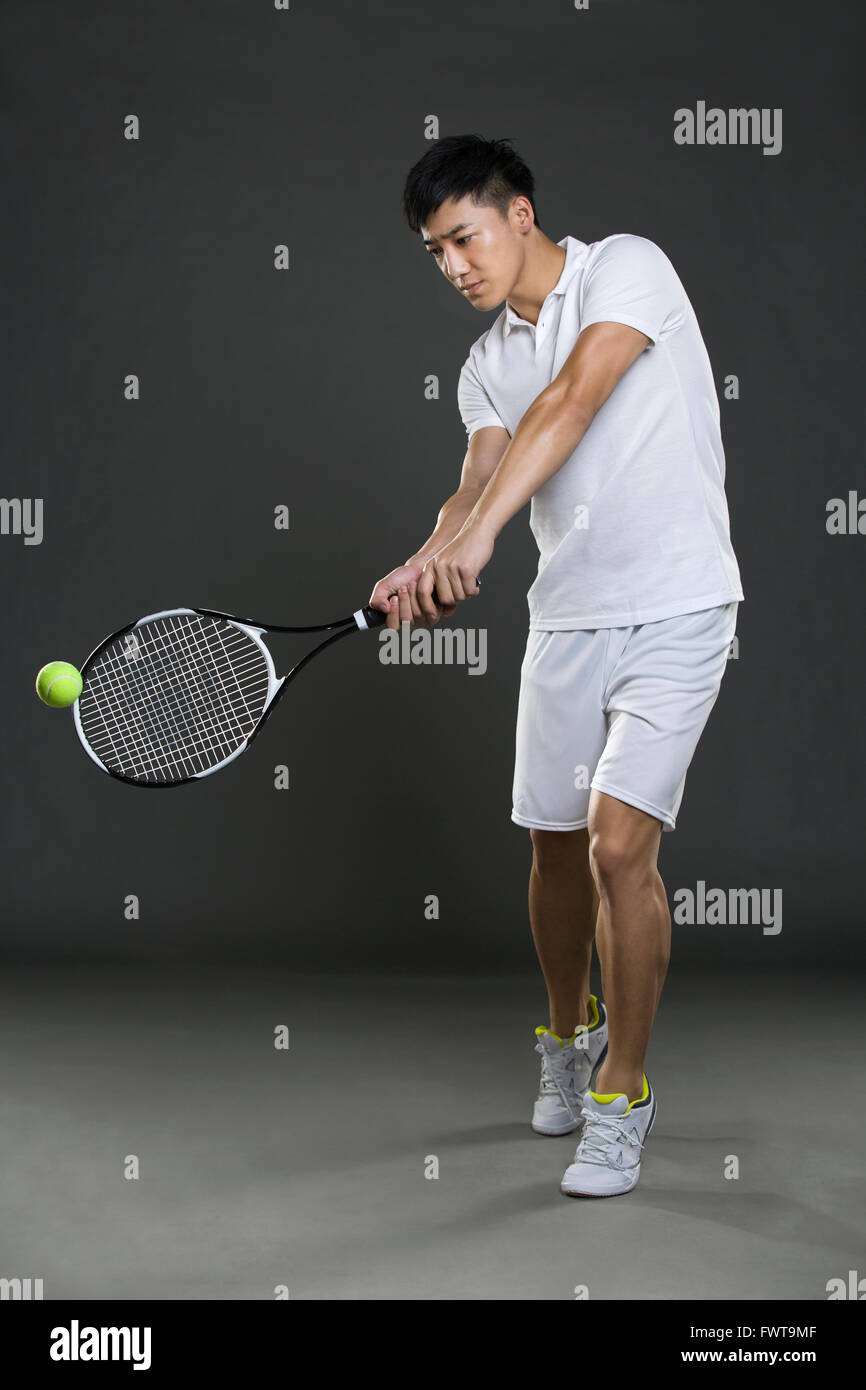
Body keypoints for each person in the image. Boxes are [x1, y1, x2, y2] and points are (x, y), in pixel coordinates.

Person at [368, 134, 744, 1198]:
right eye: (433, 254)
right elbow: (477, 476)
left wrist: (480, 543)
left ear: (518, 212)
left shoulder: (625, 267)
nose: (453, 266)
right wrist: (429, 552)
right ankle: (565, 1032)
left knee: (619, 847)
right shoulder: (483, 363)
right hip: (566, 622)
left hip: (676, 604)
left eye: (462, 237)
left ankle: (620, 1093)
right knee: (552, 845)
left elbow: (572, 401)